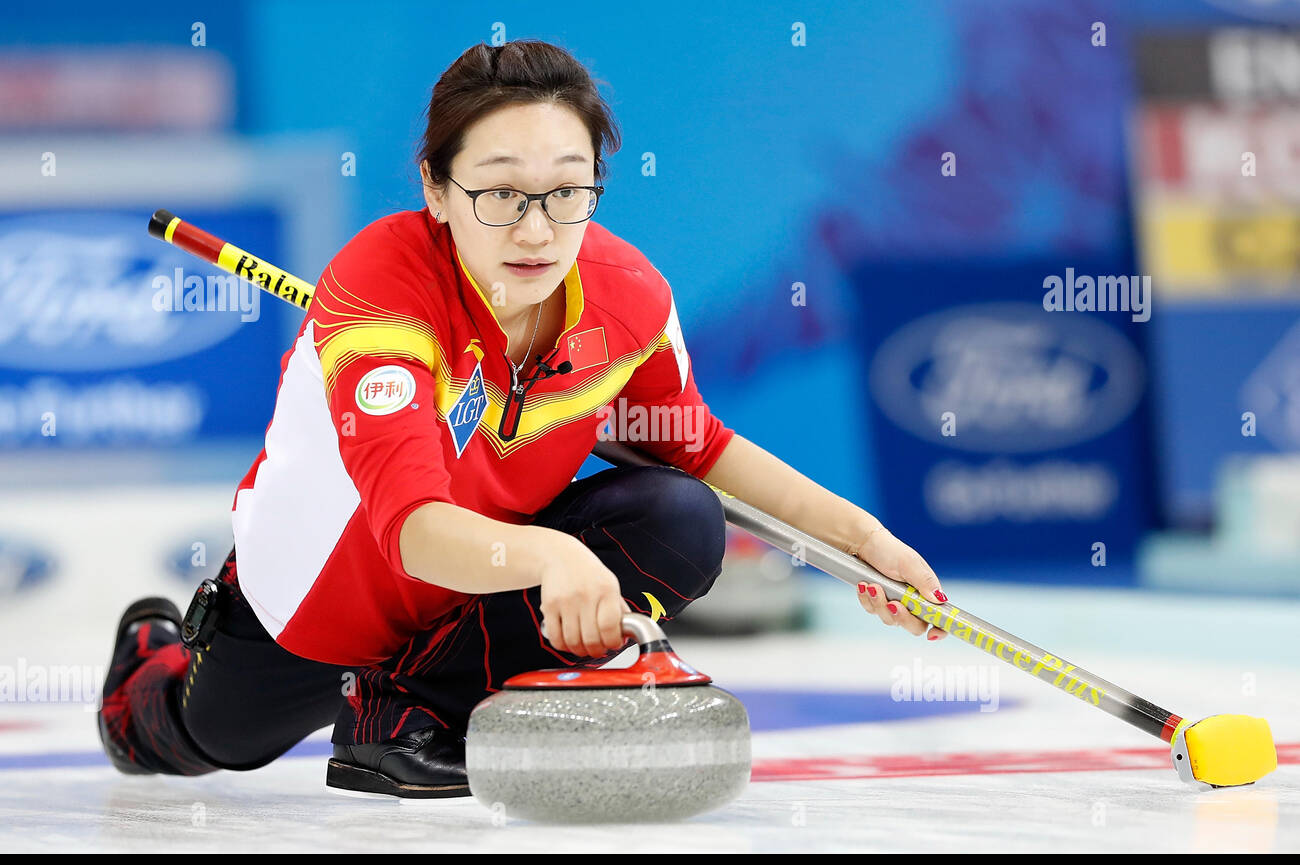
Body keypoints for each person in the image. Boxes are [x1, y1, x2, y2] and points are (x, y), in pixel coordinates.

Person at [98, 39, 950, 799]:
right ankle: (149, 654)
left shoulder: (629, 298)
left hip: (470, 603)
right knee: (195, 737)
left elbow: (697, 449)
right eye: (501, 192)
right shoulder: (381, 293)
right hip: (313, 613)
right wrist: (553, 555)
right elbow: (412, 531)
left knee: (679, 517)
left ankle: (409, 709)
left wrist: (863, 541)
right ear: (435, 188)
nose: (538, 231)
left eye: (566, 190)